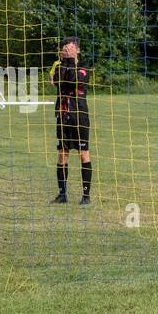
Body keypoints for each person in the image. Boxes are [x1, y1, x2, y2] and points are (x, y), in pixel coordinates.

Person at [51, 37, 91, 204]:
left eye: (70, 47)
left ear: (78, 50)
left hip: (79, 116)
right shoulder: (59, 67)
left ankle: (86, 196)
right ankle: (62, 195)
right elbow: (58, 82)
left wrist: (69, 62)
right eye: (64, 48)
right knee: (62, 154)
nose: (66, 50)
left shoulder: (84, 68)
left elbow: (74, 81)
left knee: (83, 154)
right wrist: (66, 63)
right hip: (63, 115)